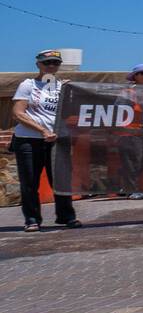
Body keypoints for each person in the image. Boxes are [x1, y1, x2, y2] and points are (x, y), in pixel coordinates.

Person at [10, 50, 80, 232]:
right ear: (38, 64)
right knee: (30, 182)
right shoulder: (28, 85)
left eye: (55, 63)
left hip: (56, 140)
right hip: (29, 140)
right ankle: (32, 219)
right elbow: (18, 113)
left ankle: (66, 216)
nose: (51, 66)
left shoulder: (61, 86)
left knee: (60, 180)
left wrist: (71, 91)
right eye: (47, 62)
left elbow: (72, 111)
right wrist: (42, 130)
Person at [115, 63, 143, 199]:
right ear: (135, 76)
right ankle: (131, 191)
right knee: (133, 161)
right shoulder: (128, 93)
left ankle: (124, 186)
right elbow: (118, 110)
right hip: (130, 134)